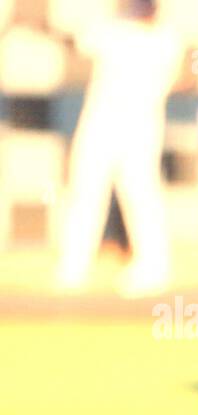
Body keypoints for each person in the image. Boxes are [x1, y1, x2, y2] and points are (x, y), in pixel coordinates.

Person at [55, 0, 184, 297]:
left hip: (119, 123)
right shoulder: (167, 38)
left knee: (123, 195)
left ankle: (79, 267)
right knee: (111, 194)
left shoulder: (116, 31)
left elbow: (77, 37)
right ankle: (81, 266)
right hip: (126, 123)